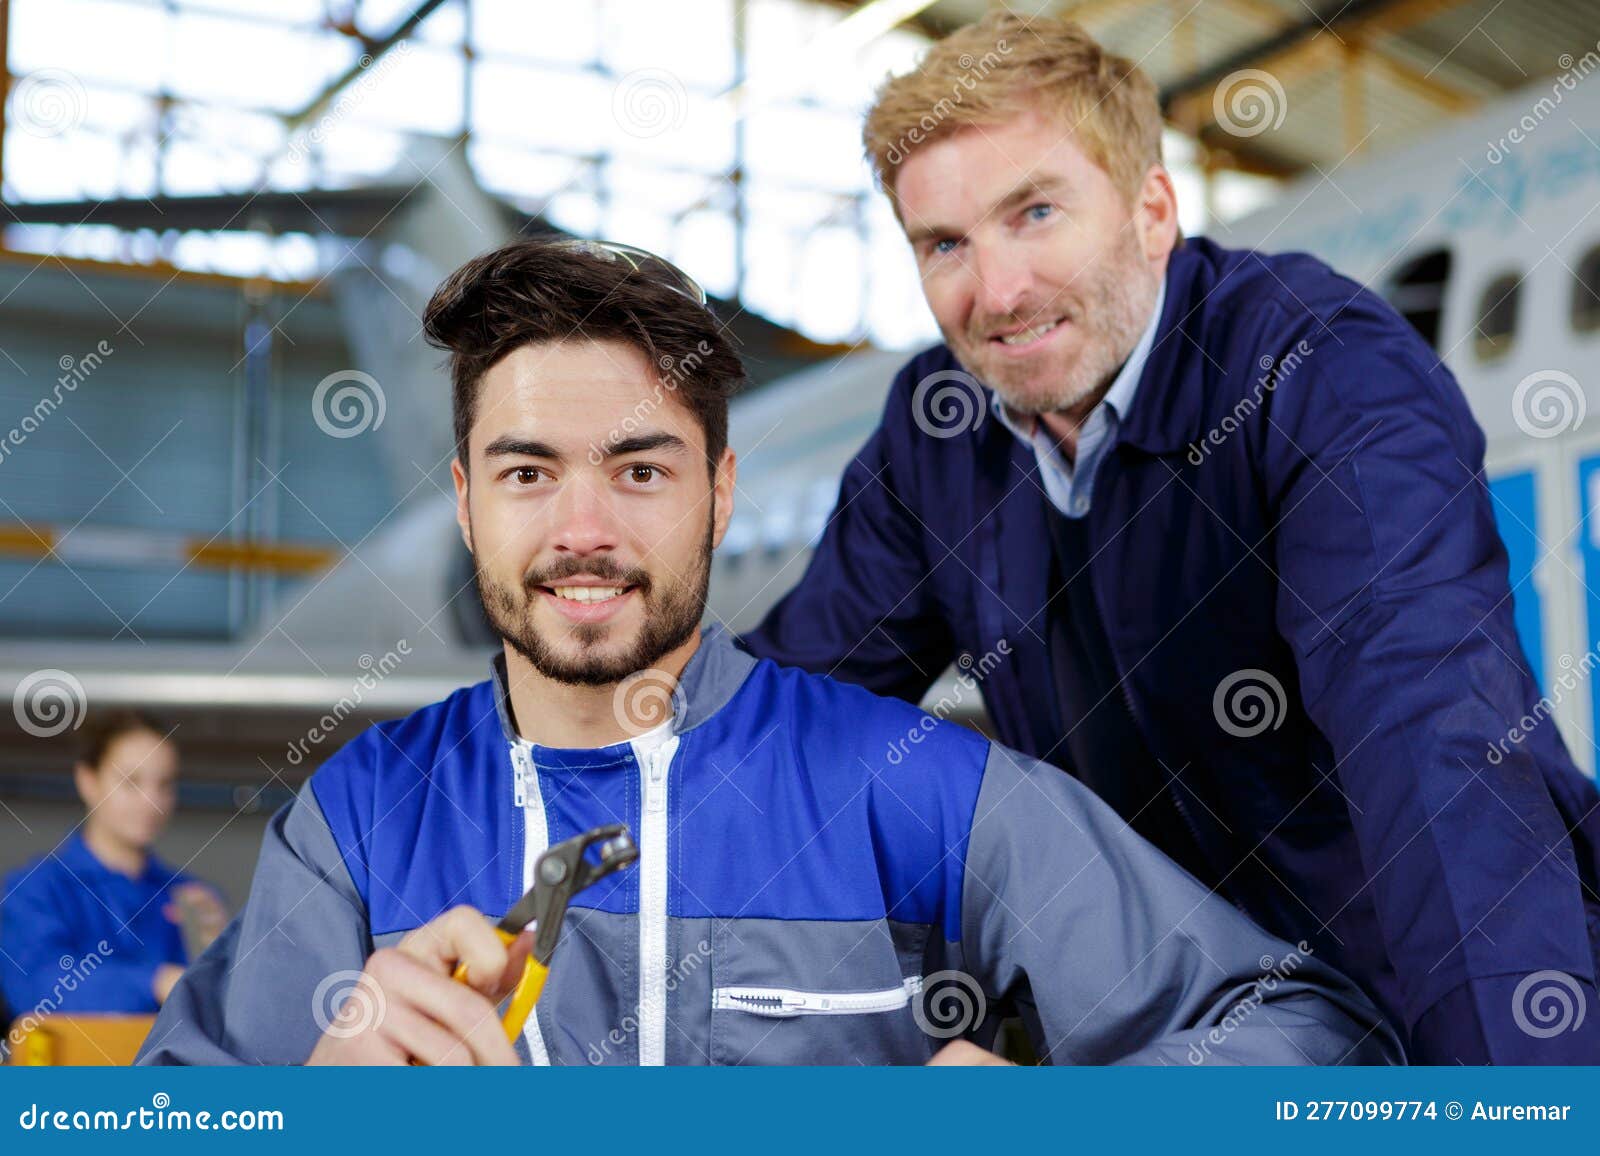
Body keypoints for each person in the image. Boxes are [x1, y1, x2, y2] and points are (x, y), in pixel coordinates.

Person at [135, 238, 1397, 1066]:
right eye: (530, 474)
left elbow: (1302, 1030)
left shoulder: (911, 788)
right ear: (466, 502)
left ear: (720, 493)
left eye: (640, 470)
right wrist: (310, 1112)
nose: (585, 530)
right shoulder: (353, 824)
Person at [739, 11, 1600, 1064]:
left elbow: (1432, 748)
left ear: (1153, 210)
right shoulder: (938, 437)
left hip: (1414, 1010)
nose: (997, 292)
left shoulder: (1320, 374)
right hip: (1185, 1020)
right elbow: (783, 730)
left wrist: (1512, 1101)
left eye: (1037, 211)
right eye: (945, 244)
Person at [1, 711, 228, 1019]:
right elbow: (40, 989)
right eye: (131, 782)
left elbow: (223, 1014)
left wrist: (221, 956)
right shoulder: (33, 892)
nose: (152, 801)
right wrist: (156, 982)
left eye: (164, 784)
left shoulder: (191, 898)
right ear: (87, 780)